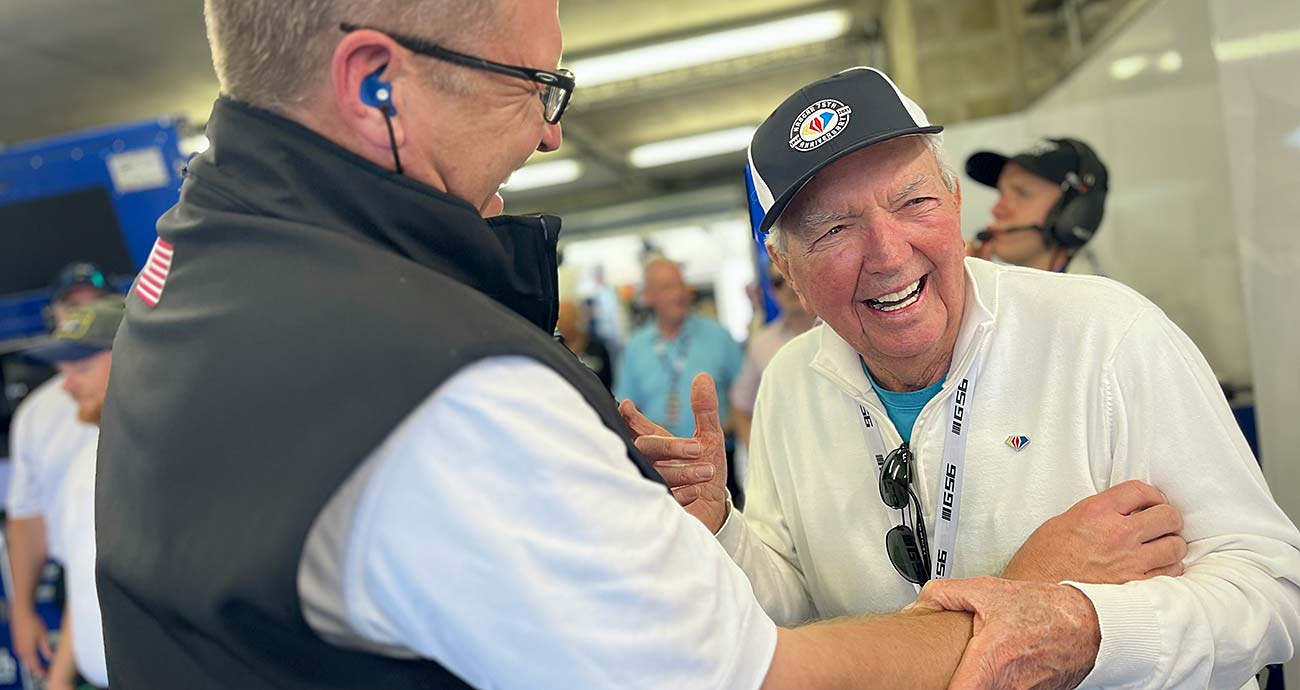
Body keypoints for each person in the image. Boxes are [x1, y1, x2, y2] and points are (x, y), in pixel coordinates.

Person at [96, 4, 1146, 689]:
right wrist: (1029, 602)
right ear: (377, 82)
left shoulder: (196, 265)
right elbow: (748, 678)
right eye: (531, 85)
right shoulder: (440, 388)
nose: (550, 132)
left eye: (911, 201)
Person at [627, 66, 1300, 690]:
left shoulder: (1106, 336)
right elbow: (797, 605)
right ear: (785, 268)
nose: (889, 255)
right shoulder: (788, 387)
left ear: (952, 200)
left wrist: (1084, 628)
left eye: (913, 201)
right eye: (835, 229)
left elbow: (1271, 587)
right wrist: (720, 526)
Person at [4, 263, 111, 680]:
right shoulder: (41, 419)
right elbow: (87, 571)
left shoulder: (160, 438)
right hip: (85, 624)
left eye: (81, 368)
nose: (69, 385)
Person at [22, 296, 124, 690]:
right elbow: (85, 584)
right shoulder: (85, 465)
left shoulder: (172, 460)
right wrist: (59, 681)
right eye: (62, 370)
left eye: (80, 367)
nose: (66, 385)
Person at [614, 257, 743, 439]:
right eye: (668, 287)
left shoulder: (719, 336)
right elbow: (627, 407)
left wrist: (728, 428)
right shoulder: (635, 347)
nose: (678, 294)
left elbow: (746, 396)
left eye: (681, 285)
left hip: (717, 452)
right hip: (660, 458)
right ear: (649, 296)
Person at [964, 138, 1108, 273]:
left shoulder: (1096, 299)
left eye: (1022, 193)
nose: (996, 210)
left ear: (1077, 214)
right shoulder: (997, 290)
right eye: (1001, 193)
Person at [729, 267, 815, 448]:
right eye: (779, 282)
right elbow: (741, 406)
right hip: (793, 460)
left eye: (792, 275)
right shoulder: (761, 344)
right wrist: (758, 456)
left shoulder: (842, 330)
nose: (788, 287)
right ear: (772, 292)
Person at [556, 298, 613, 390]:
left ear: (576, 317)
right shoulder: (555, 350)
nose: (564, 322)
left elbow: (609, 382)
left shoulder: (598, 349)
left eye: (568, 316)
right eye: (560, 318)